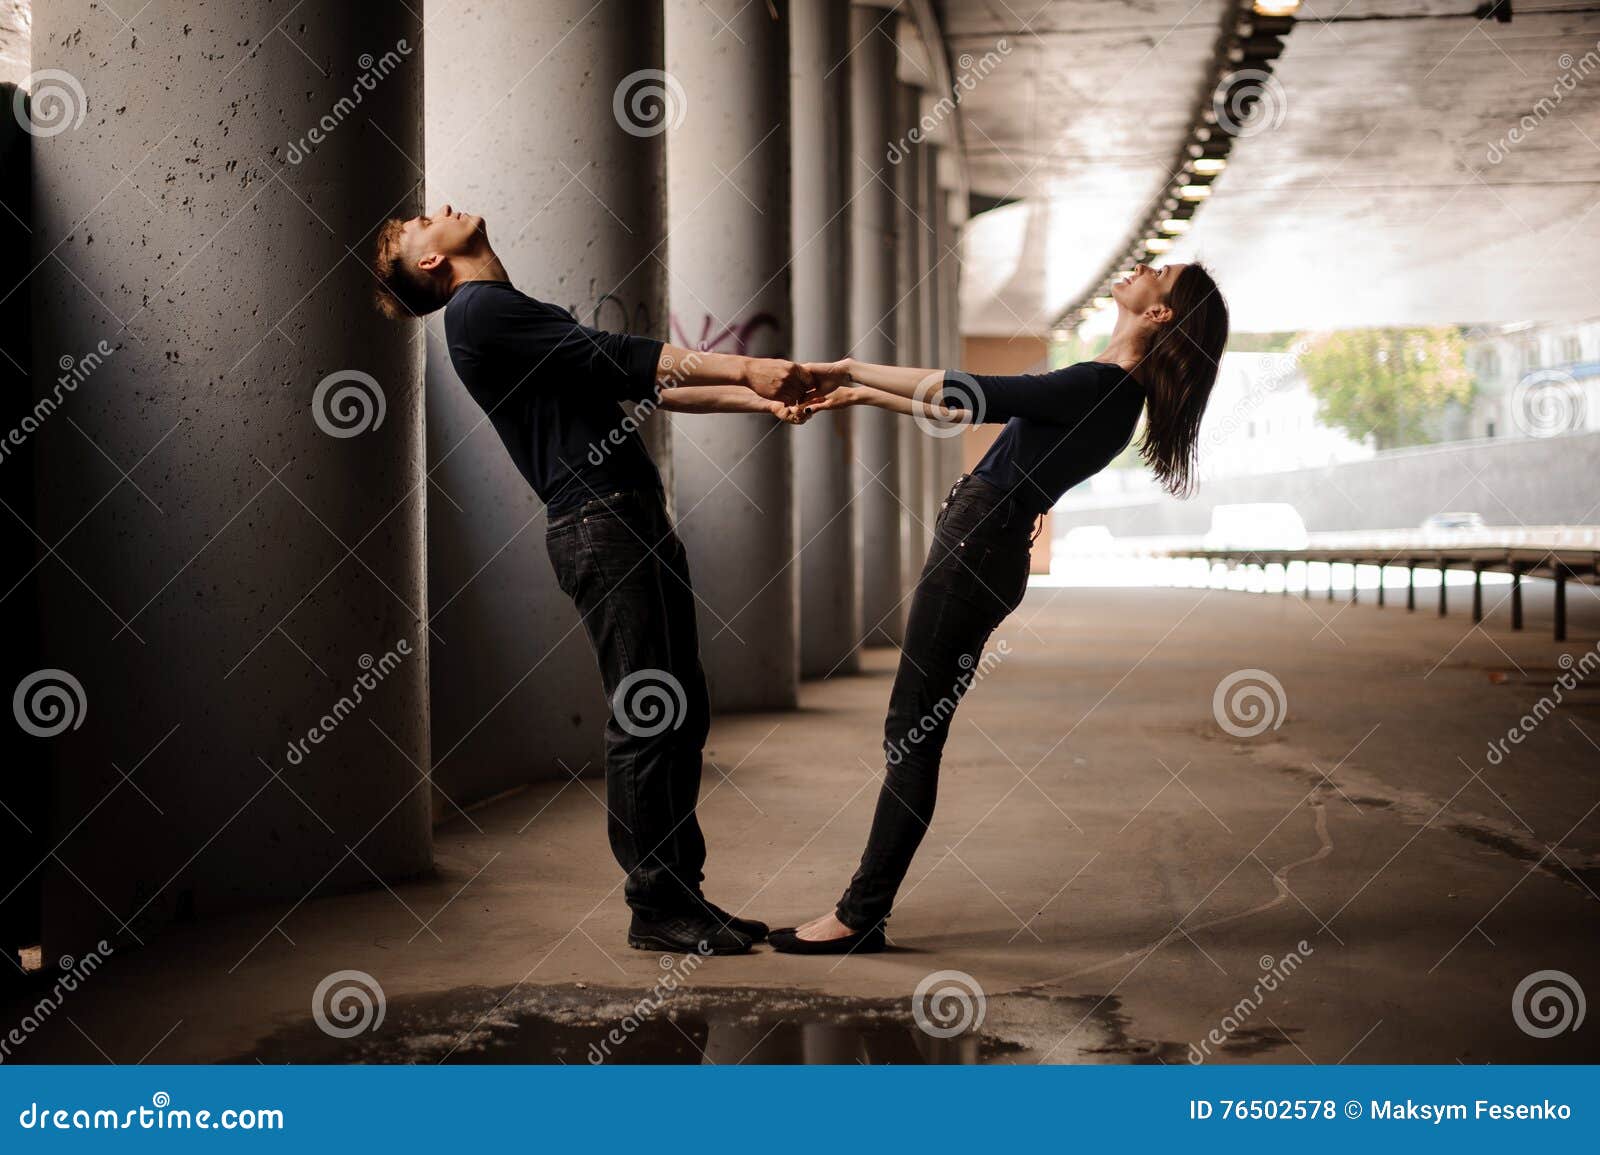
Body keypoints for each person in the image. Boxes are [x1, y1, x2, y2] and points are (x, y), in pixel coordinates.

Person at [372, 205, 814, 955]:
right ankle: (656, 905)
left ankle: (682, 894)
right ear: (428, 265)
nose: (436, 210)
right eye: (418, 222)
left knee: (680, 708)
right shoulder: (478, 311)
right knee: (650, 712)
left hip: (626, 518)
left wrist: (758, 397)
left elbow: (646, 384)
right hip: (600, 525)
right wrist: (745, 365)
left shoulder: (507, 313)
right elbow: (629, 354)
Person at [769, 261, 1230, 953]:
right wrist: (857, 392)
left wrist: (847, 370)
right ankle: (863, 910)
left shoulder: (1102, 388)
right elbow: (963, 400)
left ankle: (860, 915)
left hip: (976, 549)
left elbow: (968, 394)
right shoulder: (1105, 384)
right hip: (984, 543)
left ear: (1160, 314)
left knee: (913, 732)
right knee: (914, 729)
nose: (1142, 268)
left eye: (1157, 272)